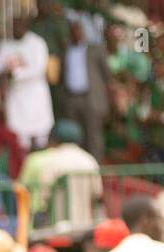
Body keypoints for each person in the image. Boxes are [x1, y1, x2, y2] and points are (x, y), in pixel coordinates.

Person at [0, 15, 55, 150]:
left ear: (26, 27)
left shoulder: (37, 43)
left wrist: (14, 73)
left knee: (39, 134)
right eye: (14, 26)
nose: (16, 29)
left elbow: (38, 69)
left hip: (34, 94)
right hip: (16, 96)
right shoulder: (6, 45)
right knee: (18, 135)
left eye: (20, 26)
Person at [17, 119, 102, 228]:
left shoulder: (52, 161)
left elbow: (43, 196)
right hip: (84, 225)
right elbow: (97, 193)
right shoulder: (89, 160)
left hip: (58, 226)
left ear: (55, 139)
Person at [59, 19, 112, 161]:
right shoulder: (66, 50)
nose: (76, 33)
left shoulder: (95, 49)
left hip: (91, 98)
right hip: (72, 98)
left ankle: (96, 170)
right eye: (73, 31)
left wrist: (109, 100)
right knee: (74, 137)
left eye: (78, 30)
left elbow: (107, 75)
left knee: (93, 136)